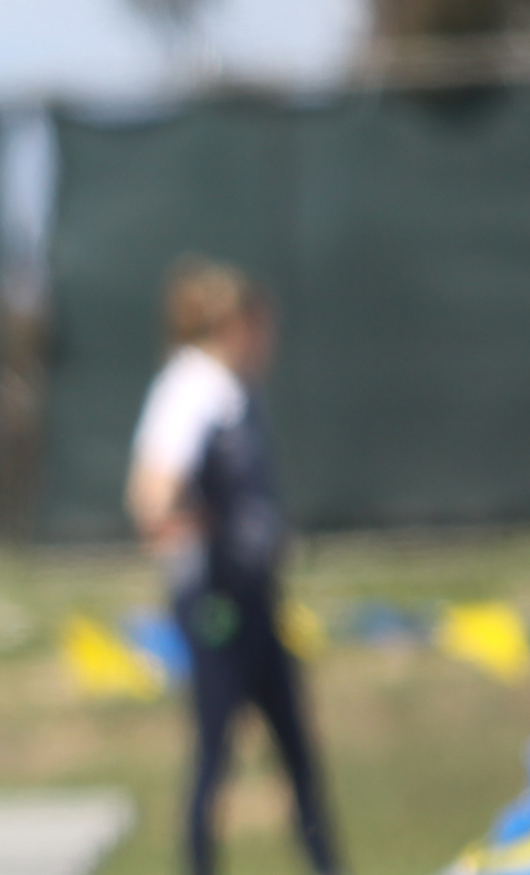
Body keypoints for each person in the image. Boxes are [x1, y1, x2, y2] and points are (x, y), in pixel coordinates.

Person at [126, 257, 338, 875]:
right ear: (237, 325)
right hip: (217, 603)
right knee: (215, 751)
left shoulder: (230, 389)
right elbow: (151, 496)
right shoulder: (194, 388)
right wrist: (207, 528)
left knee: (296, 747)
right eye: (262, 328)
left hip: (254, 597)